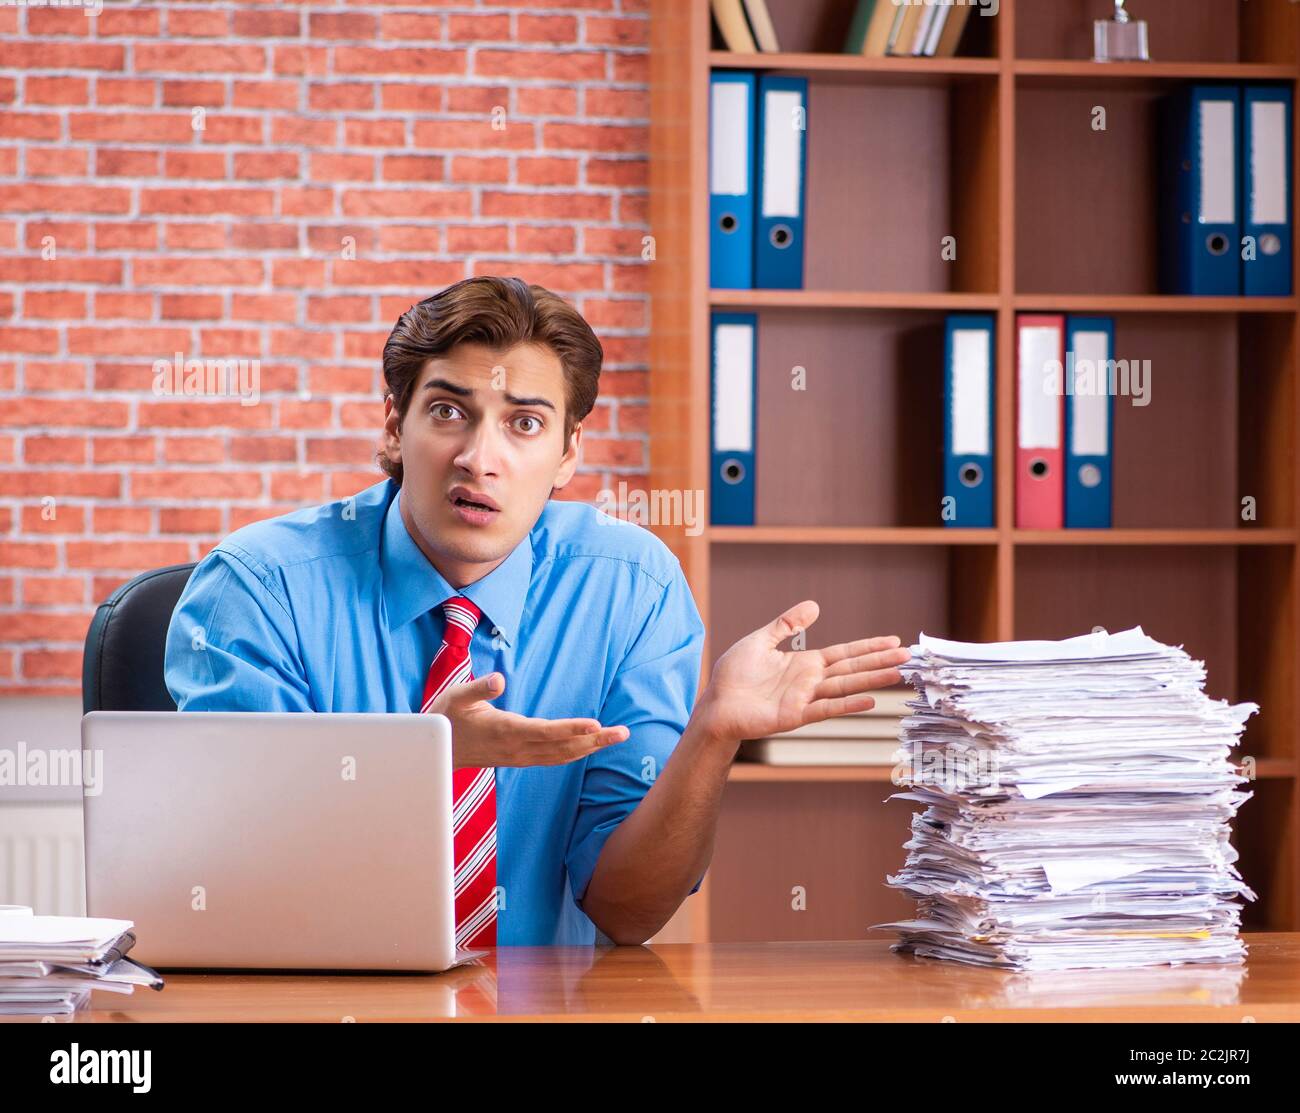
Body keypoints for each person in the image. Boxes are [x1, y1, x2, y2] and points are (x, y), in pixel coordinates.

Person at [164, 276, 910, 947]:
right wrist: (417, 765)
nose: (479, 457)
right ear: (395, 426)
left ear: (567, 455)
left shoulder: (631, 589)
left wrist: (711, 737)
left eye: (524, 424)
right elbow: (241, 881)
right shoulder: (258, 588)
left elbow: (627, 912)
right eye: (450, 411)